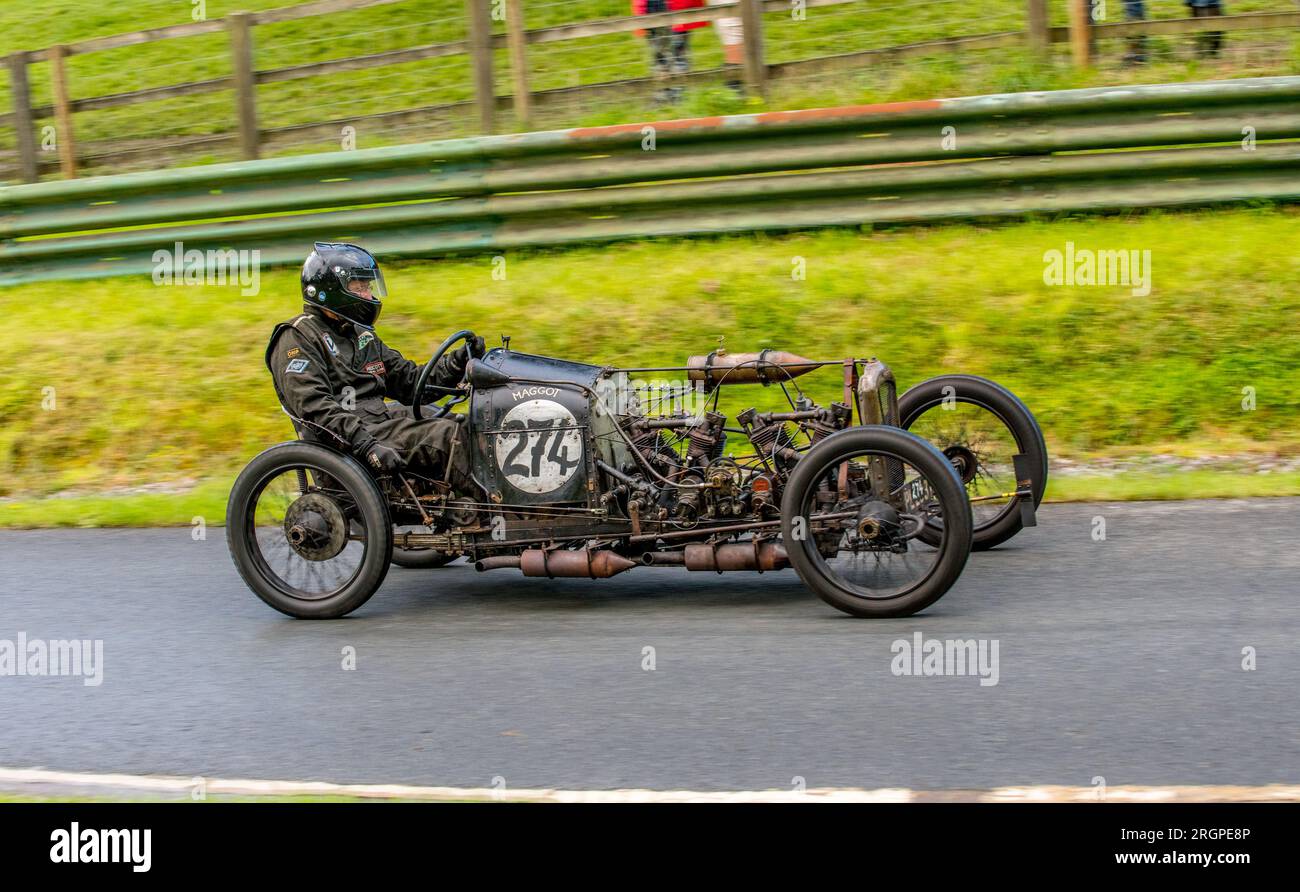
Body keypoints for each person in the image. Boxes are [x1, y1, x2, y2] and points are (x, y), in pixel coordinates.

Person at [266, 242, 484, 496]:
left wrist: (456, 363)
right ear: (330, 291)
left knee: (468, 424)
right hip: (351, 439)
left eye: (368, 287)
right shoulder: (297, 337)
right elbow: (315, 408)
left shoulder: (359, 333)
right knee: (449, 435)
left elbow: (411, 383)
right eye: (359, 288)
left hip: (379, 422)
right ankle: (497, 512)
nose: (369, 296)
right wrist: (366, 444)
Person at [634, 0, 708, 104]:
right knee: (659, 55)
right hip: (652, 6)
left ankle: (680, 95)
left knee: (678, 52)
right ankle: (662, 95)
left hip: (678, 5)